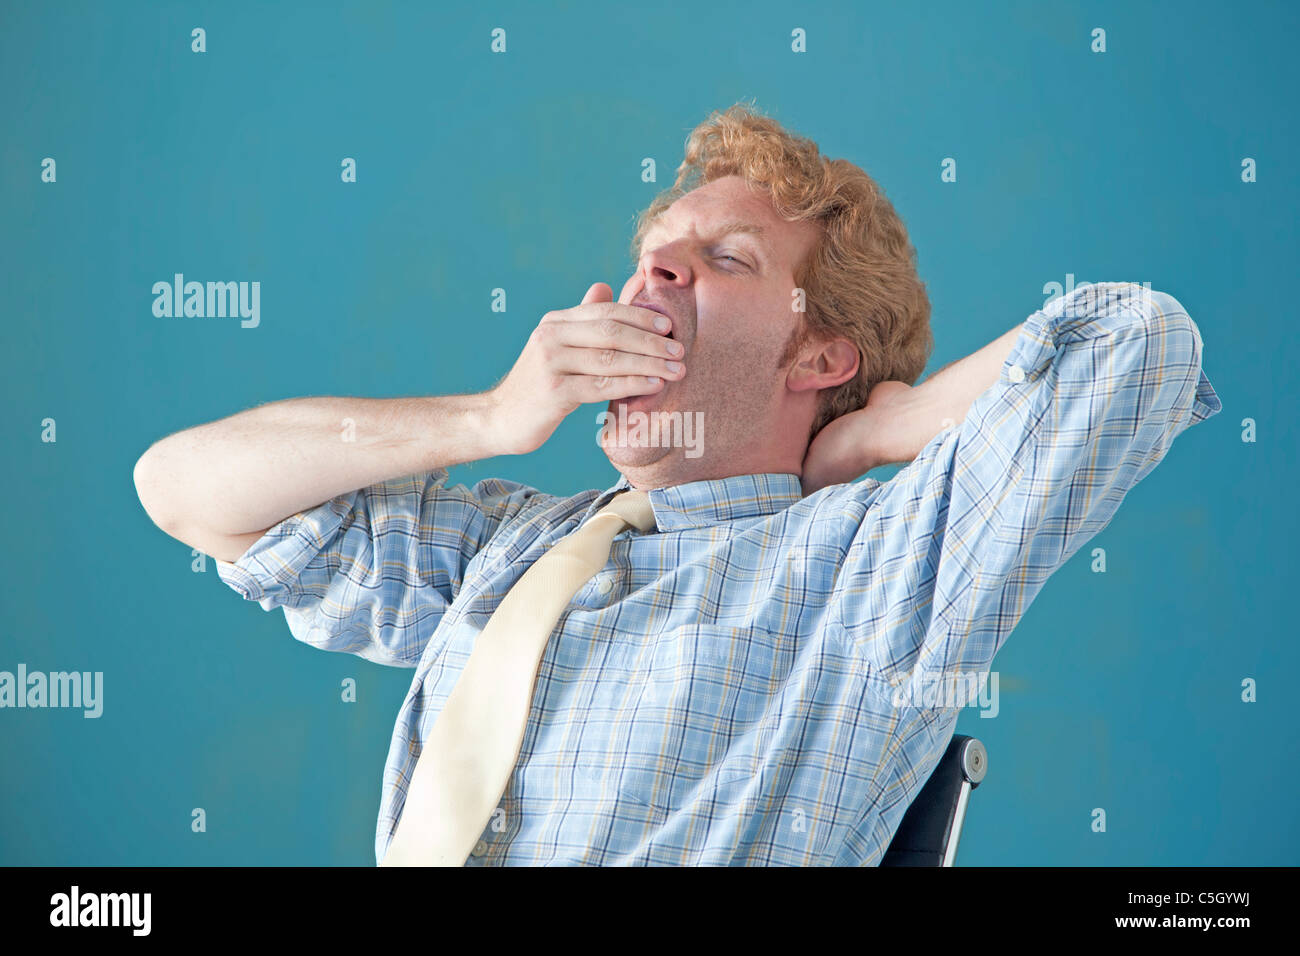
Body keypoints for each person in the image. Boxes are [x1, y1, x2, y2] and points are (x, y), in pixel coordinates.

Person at [132, 102, 1222, 866]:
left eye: (727, 258)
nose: (657, 268)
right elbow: (186, 487)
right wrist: (488, 420)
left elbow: (1140, 341)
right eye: (657, 249)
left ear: (818, 355)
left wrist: (882, 432)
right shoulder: (508, 553)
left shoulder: (874, 564)